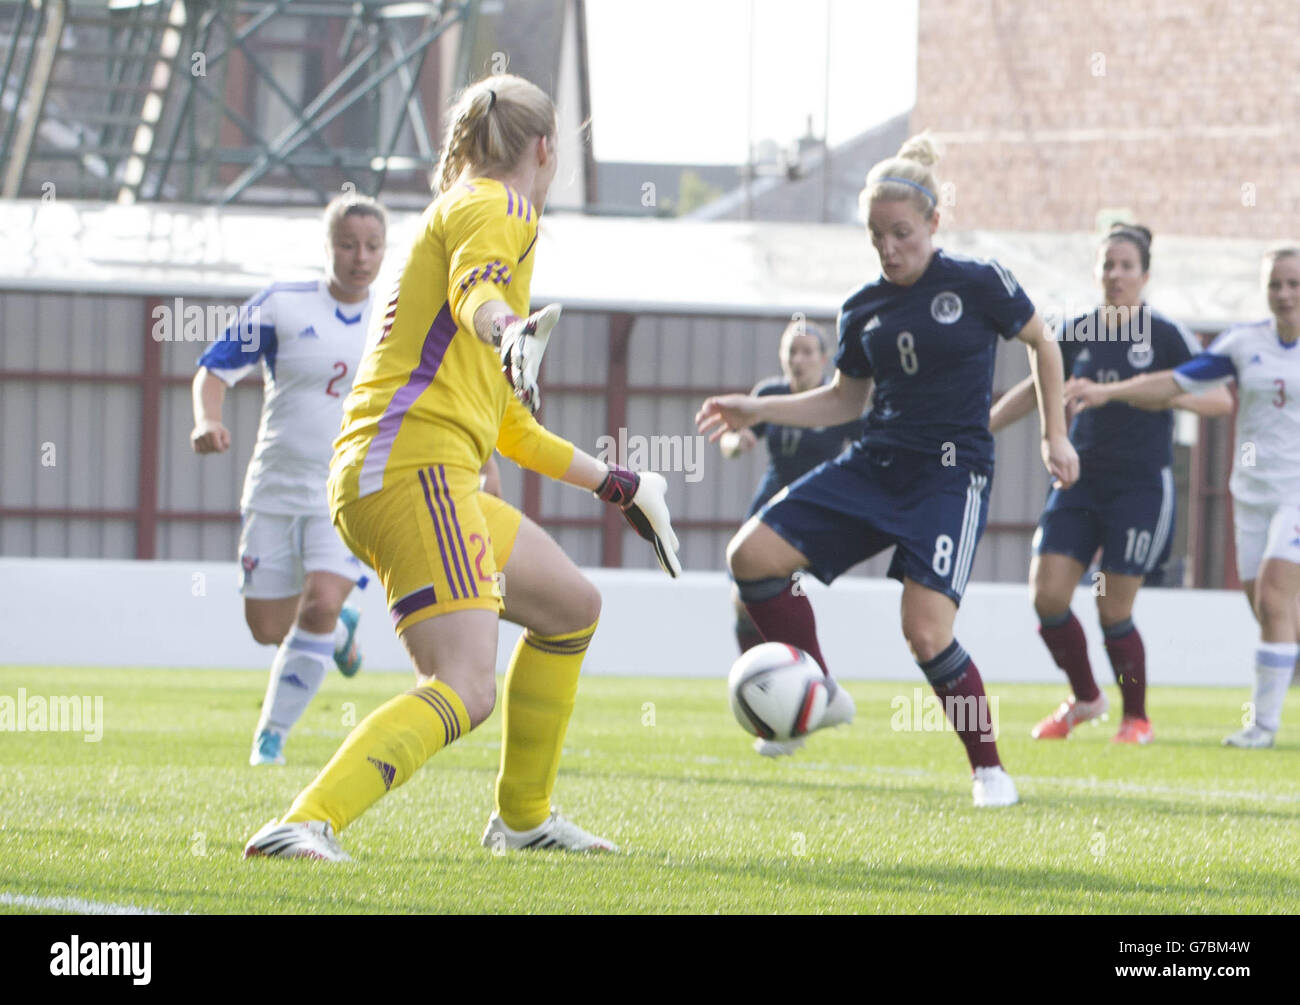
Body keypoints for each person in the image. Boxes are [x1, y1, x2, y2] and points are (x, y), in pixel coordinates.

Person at [243, 73, 680, 861]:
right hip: (416, 467)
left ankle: (523, 819)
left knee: (572, 606)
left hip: (411, 465)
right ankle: (303, 821)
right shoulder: (499, 208)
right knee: (465, 685)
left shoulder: (468, 209)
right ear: (546, 149)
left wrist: (620, 484)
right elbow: (479, 291)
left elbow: (508, 423)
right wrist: (509, 328)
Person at [697, 134, 1079, 805]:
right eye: (877, 236)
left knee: (926, 633)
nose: (889, 247)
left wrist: (1056, 437)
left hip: (950, 478)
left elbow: (1042, 343)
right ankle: (824, 686)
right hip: (874, 463)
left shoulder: (979, 281)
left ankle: (989, 770)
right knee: (750, 555)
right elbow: (844, 400)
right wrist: (756, 409)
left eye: (901, 232)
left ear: (934, 222)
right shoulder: (861, 308)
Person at [989, 224, 1233, 743]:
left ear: (1145, 275)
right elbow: (1036, 387)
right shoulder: (1075, 330)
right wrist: (978, 429)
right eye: (1107, 265)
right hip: (1078, 481)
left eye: (1126, 266)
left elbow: (1219, 400)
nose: (1115, 275)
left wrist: (1144, 393)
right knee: (1047, 596)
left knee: (1112, 607)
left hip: (1140, 488)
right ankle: (1086, 698)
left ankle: (1135, 717)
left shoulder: (1165, 334)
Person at [1067, 244, 1300, 749]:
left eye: (1294, 284)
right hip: (1253, 492)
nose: (1284, 294)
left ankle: (1262, 727)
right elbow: (1175, 382)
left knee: (1279, 595)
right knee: (1266, 606)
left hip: (1297, 495)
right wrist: (1109, 392)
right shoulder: (1243, 343)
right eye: (1275, 284)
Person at [191, 193, 387, 767]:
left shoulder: (396, 315)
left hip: (349, 491)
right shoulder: (283, 305)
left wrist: (481, 463)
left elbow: (439, 393)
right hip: (276, 486)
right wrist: (207, 420)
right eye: (348, 245)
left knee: (320, 603)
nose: (360, 257)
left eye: (372, 246)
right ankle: (341, 635)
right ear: (328, 248)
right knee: (268, 626)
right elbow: (214, 372)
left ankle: (270, 739)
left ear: (384, 251)